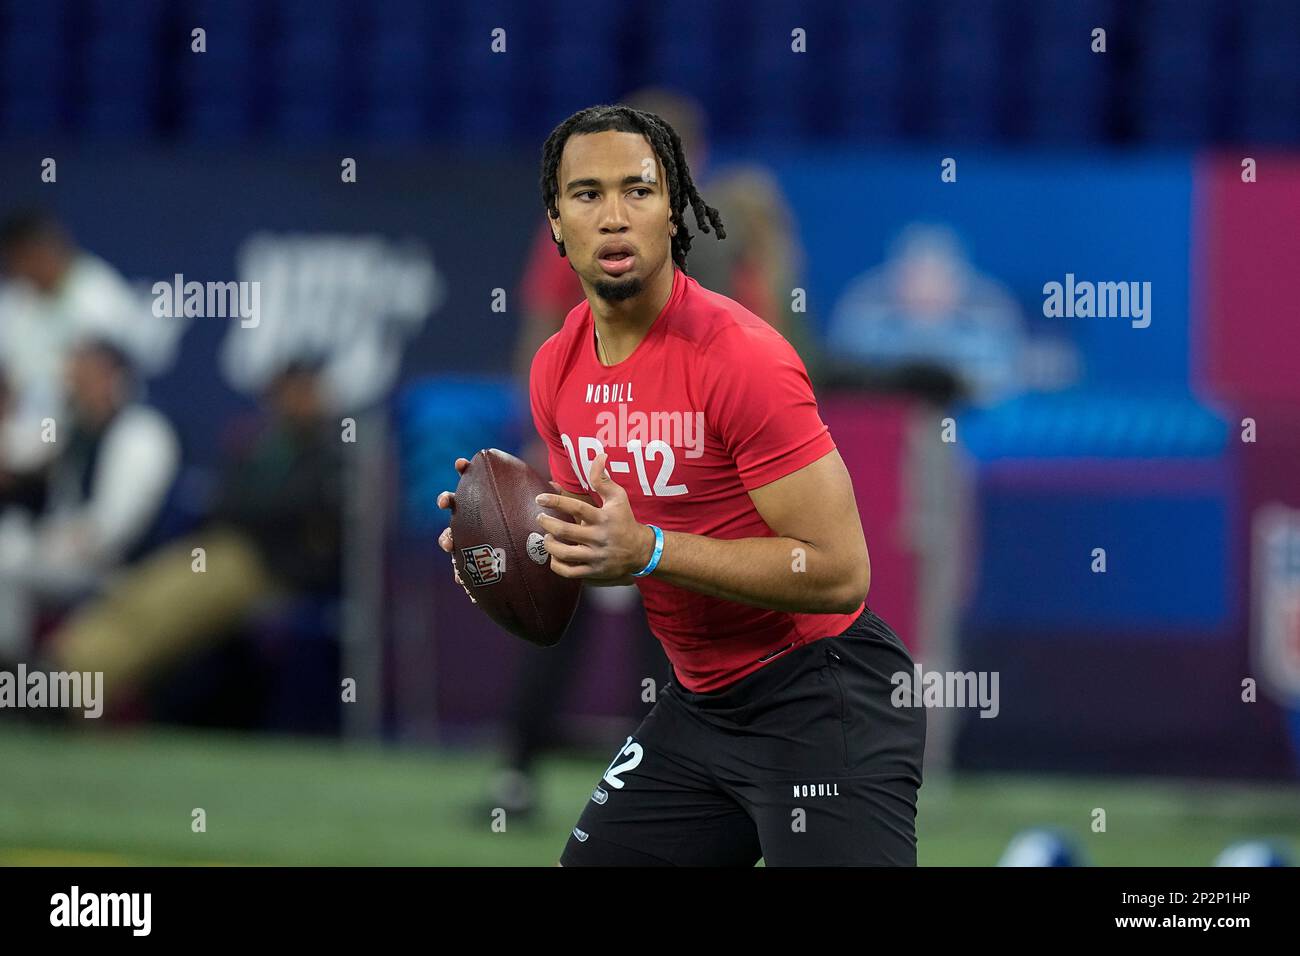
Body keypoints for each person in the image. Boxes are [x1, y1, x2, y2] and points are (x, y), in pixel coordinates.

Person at [439, 104, 925, 866]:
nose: (613, 216)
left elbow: (839, 573)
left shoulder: (741, 358)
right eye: (587, 194)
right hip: (701, 707)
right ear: (557, 224)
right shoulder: (556, 370)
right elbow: (580, 553)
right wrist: (502, 545)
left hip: (824, 699)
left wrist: (654, 550)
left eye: (638, 190)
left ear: (676, 212)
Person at [486, 88, 817, 821]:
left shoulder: (728, 232)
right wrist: (542, 431)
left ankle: (667, 779)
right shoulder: (585, 232)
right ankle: (522, 770)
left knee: (662, 616)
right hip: (603, 445)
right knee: (560, 601)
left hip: (687, 461)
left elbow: (781, 347)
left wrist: (777, 246)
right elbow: (544, 325)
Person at [42, 360, 342, 711]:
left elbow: (299, 514)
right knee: (143, 589)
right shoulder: (264, 446)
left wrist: (256, 510)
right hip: (221, 548)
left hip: (269, 568)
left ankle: (74, 683)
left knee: (171, 606)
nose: (291, 402)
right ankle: (55, 664)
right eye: (284, 393)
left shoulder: (333, 452)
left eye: (300, 393)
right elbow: (226, 500)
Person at [0, 338, 180, 660]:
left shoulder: (141, 435)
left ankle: (14, 678)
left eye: (84, 378)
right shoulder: (75, 429)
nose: (74, 387)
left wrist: (47, 545)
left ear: (114, 379)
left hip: (115, 570)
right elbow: (22, 449)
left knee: (6, 573)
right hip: (61, 550)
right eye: (72, 379)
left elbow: (111, 531)